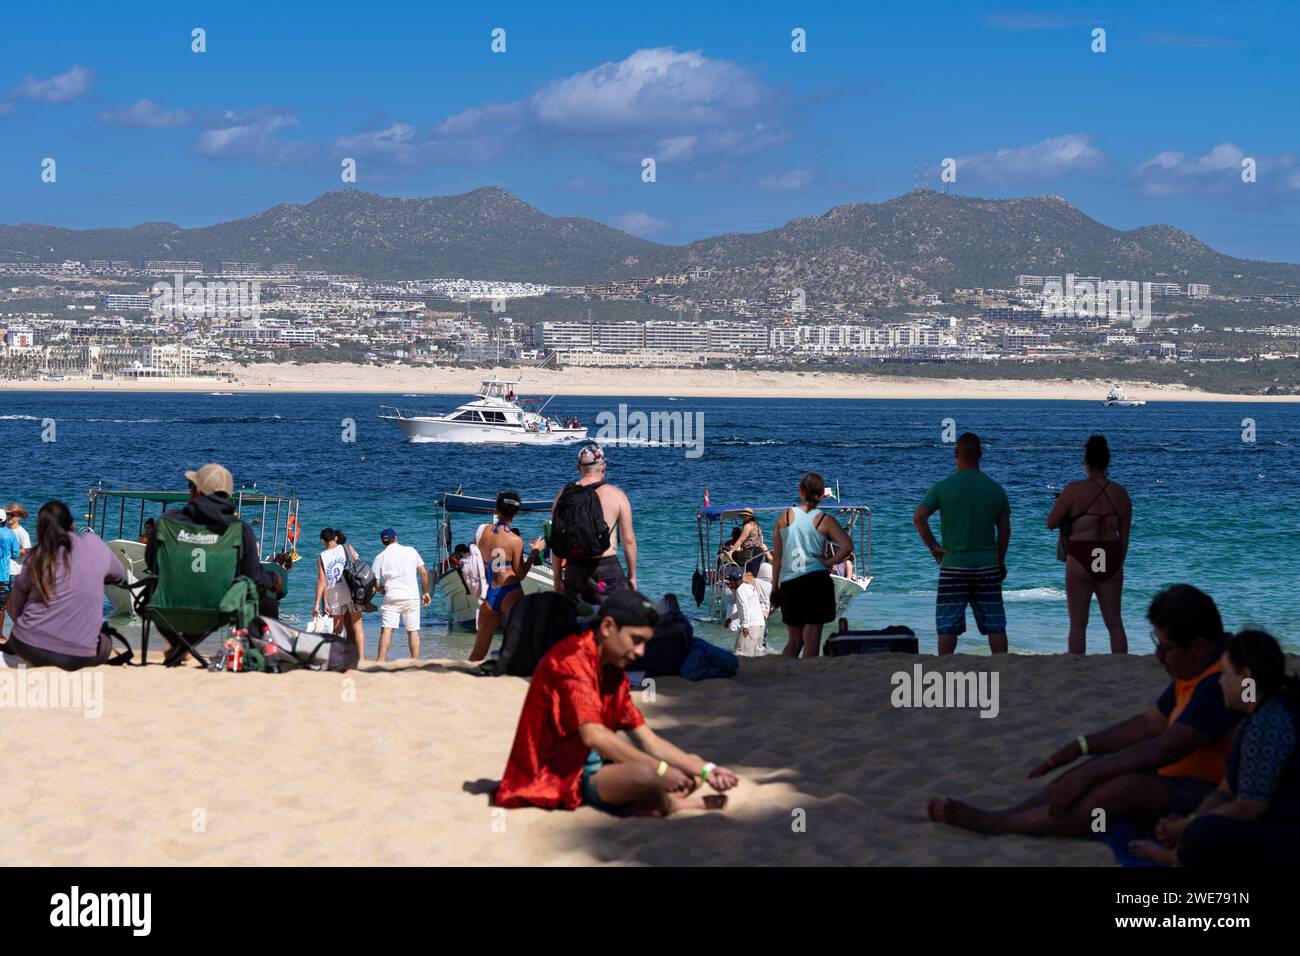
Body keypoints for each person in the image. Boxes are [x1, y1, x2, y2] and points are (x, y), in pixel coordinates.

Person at [927, 585, 1245, 839]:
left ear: (1200, 647)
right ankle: (1009, 815)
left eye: (1165, 647)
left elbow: (1167, 746)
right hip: (1179, 775)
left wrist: (1089, 772)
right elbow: (1151, 723)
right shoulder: (1195, 667)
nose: (1157, 655)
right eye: (1155, 642)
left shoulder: (1222, 681)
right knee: (1097, 766)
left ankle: (1002, 825)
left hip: (1215, 794)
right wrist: (1081, 746)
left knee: (1120, 787)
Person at [494, 589, 740, 815]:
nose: (641, 652)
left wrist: (709, 770)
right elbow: (594, 736)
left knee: (692, 764)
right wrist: (661, 770)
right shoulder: (572, 659)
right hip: (564, 773)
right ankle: (674, 804)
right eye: (636, 640)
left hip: (600, 763)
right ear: (608, 626)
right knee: (648, 774)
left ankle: (650, 801)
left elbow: (648, 739)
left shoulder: (612, 671)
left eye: (645, 643)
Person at [1129, 629, 1300, 866]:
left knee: (1206, 832)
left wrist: (1191, 827)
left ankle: (1171, 858)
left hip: (1285, 833)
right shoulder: (1249, 719)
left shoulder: (1268, 723)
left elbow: (1250, 806)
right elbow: (1226, 790)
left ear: (1246, 678)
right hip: (1263, 820)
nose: (1220, 681)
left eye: (1225, 673)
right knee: (1192, 822)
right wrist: (1190, 820)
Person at [144, 463, 283, 663]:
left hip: (165, 609)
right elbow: (254, 579)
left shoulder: (168, 522)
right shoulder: (239, 530)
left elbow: (152, 562)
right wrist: (274, 578)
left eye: (190, 486)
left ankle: (179, 643)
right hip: (218, 611)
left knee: (147, 590)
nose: (189, 490)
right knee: (265, 600)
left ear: (198, 491)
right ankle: (266, 656)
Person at [913, 432, 1011, 655]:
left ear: (956, 454)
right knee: (995, 624)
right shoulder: (995, 489)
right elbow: (1004, 531)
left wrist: (934, 547)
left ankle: (945, 670)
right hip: (987, 564)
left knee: (948, 626)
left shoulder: (943, 487)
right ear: (980, 455)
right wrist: (1000, 560)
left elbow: (919, 517)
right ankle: (1003, 668)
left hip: (953, 564)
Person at [2, 501, 126, 669]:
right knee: (103, 630)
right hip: (80, 656)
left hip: (30, 645)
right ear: (73, 525)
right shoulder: (94, 544)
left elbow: (16, 606)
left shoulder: (37, 555)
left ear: (40, 529)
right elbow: (118, 574)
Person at [1046, 435, 1132, 654]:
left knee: (1078, 623)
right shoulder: (1121, 493)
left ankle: (1077, 665)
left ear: (1086, 462)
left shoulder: (1074, 489)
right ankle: (1122, 666)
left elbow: (1051, 522)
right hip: (1111, 554)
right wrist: (1117, 562)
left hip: (1082, 554)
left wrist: (1062, 505)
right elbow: (1124, 536)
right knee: (1114, 622)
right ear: (1107, 462)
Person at [770, 472, 854, 659]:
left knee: (794, 641)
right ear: (821, 495)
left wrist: (774, 586)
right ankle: (808, 680)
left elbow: (777, 557)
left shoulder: (785, 518)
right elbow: (848, 546)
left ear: (801, 492)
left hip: (791, 581)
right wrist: (829, 562)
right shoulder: (825, 520)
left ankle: (785, 676)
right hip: (817, 582)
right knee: (812, 638)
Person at [551, 443, 637, 604]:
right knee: (615, 622)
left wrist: (557, 578)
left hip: (574, 571)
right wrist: (632, 576)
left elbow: (555, 539)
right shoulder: (616, 495)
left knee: (578, 623)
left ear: (579, 469)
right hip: (605, 569)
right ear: (603, 467)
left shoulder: (562, 496)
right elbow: (629, 540)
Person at [470, 491, 545, 662]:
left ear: (496, 509)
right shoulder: (515, 540)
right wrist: (534, 553)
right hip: (509, 591)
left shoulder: (483, 532)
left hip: (488, 592)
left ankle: (464, 678)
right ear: (516, 512)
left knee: (478, 652)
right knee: (521, 642)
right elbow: (520, 574)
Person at [372, 528, 431, 661]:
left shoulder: (379, 557)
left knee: (387, 630)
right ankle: (414, 661)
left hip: (392, 596)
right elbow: (423, 572)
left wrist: (381, 589)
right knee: (413, 631)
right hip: (412, 596)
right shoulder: (411, 551)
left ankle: (380, 661)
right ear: (396, 538)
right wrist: (426, 592)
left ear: (383, 542)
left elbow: (375, 583)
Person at [313, 527, 365, 662]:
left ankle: (338, 658)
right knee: (357, 628)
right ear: (335, 537)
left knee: (337, 631)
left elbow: (321, 581)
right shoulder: (347, 547)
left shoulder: (322, 557)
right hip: (353, 592)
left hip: (335, 596)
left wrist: (317, 604)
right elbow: (359, 564)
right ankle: (362, 660)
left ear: (322, 540)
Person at [725, 566, 766, 657]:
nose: (730, 585)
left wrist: (745, 626)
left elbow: (744, 608)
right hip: (760, 625)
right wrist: (731, 618)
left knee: (740, 654)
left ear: (732, 582)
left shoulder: (740, 590)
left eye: (729, 582)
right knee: (756, 655)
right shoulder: (750, 587)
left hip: (751, 625)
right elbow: (746, 609)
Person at [725, 508, 769, 575]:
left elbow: (741, 539)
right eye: (743, 515)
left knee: (750, 575)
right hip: (759, 552)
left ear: (750, 516)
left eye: (745, 515)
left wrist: (731, 551)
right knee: (754, 574)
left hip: (751, 553)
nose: (743, 517)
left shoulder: (748, 525)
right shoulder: (756, 525)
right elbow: (761, 538)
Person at [0, 508, 19, 623]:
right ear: (5, 520)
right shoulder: (10, 533)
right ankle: (0, 635)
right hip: (3, 574)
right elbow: (16, 554)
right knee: (1, 606)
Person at [5, 503, 31, 576]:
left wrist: (9, 549)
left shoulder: (22, 533)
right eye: (8, 514)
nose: (9, 516)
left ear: (19, 517)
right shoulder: (4, 530)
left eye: (12, 515)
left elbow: (27, 551)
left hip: (14, 573)